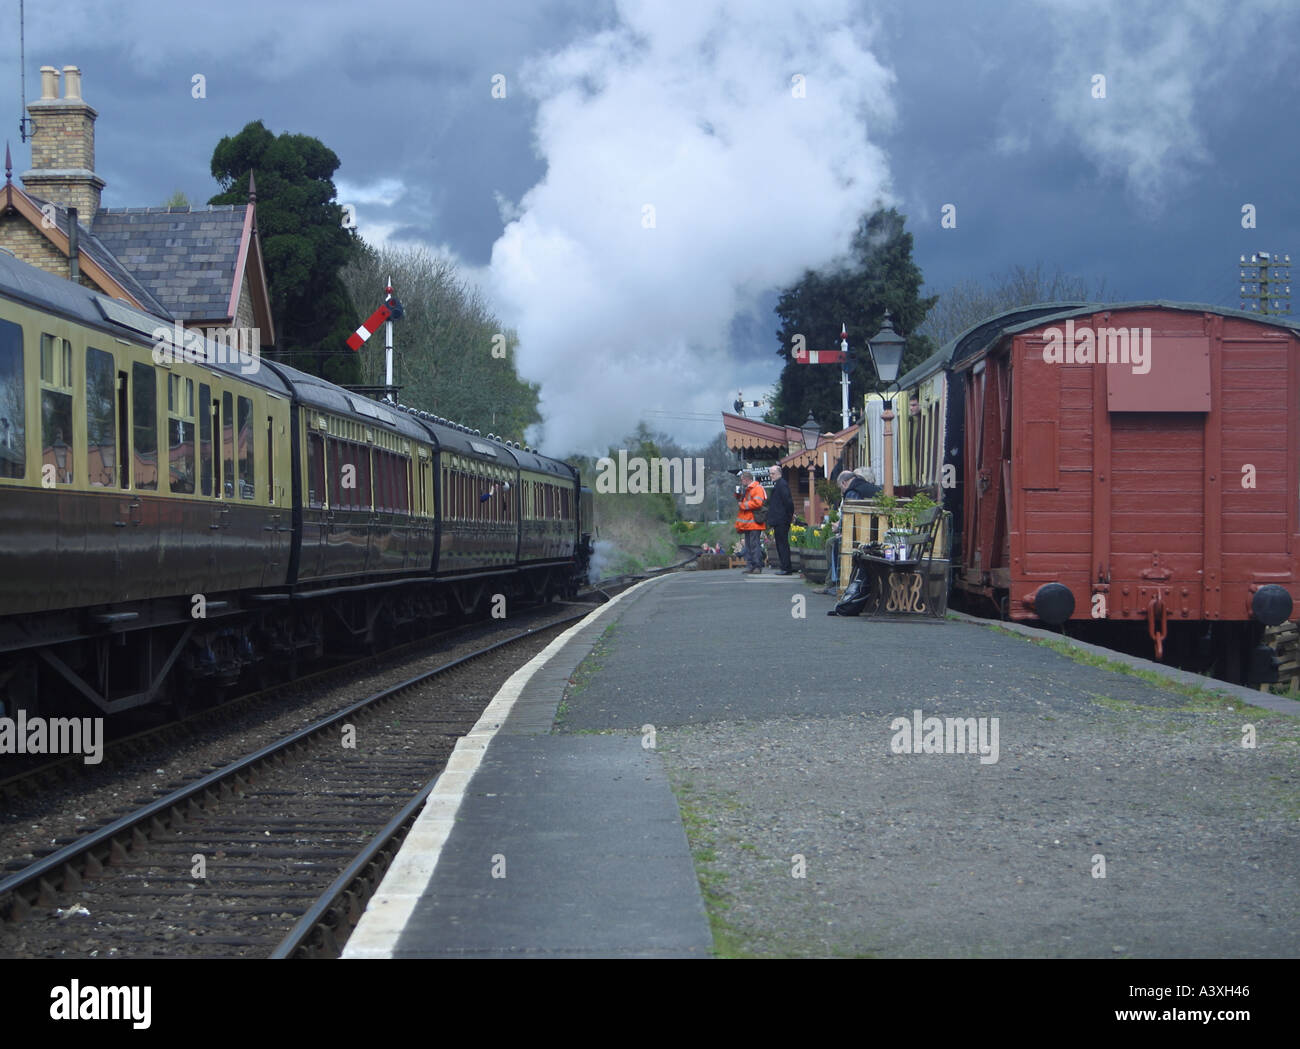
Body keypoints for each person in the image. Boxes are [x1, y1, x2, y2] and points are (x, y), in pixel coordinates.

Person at [822, 470, 878, 594]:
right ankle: (832, 582)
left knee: (835, 542)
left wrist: (839, 528)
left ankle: (837, 583)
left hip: (862, 536)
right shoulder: (871, 487)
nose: (841, 491)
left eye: (840, 487)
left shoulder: (852, 492)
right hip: (876, 532)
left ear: (844, 483)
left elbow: (850, 517)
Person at [734, 469, 766, 574]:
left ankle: (756, 566)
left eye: (742, 480)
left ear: (747, 479)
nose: (741, 482)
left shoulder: (756, 488)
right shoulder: (749, 489)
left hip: (754, 523)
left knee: (754, 545)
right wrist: (738, 497)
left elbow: (758, 503)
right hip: (749, 523)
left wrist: (743, 505)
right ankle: (752, 565)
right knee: (749, 545)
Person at [767, 465, 795, 574]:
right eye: (770, 473)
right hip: (779, 519)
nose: (771, 476)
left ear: (779, 473)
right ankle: (784, 566)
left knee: (782, 544)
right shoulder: (779, 485)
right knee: (780, 543)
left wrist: (789, 516)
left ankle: (786, 568)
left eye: (773, 473)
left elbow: (788, 502)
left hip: (782, 520)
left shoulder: (782, 485)